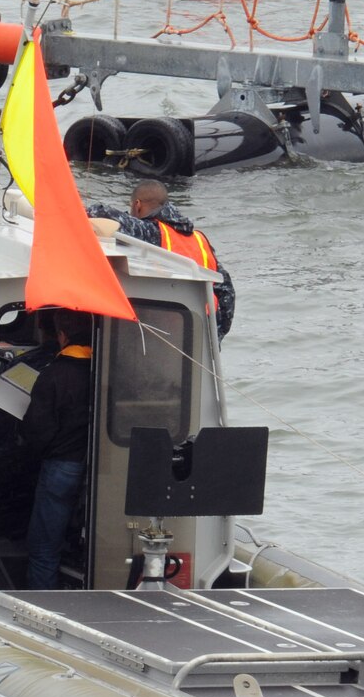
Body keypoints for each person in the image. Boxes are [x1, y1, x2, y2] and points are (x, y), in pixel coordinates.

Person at [86, 180, 235, 339]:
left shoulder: (153, 232)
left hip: (167, 326)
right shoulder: (200, 240)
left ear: (137, 205)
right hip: (202, 328)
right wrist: (216, 336)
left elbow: (101, 212)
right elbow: (227, 293)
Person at [20, 309, 94, 590]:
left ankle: (41, 609)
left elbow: (37, 432)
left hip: (61, 469)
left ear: (62, 335)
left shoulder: (54, 375)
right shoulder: (108, 369)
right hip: (100, 469)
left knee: (43, 549)